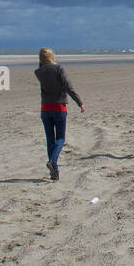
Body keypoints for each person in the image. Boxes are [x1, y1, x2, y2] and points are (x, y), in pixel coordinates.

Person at [34, 48, 83, 181]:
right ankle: (53, 161)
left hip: (45, 108)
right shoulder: (59, 69)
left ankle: (54, 172)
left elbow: (44, 70)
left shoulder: (38, 71)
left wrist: (42, 63)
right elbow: (69, 87)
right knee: (60, 138)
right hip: (58, 107)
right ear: (52, 57)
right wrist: (79, 102)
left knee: (50, 140)